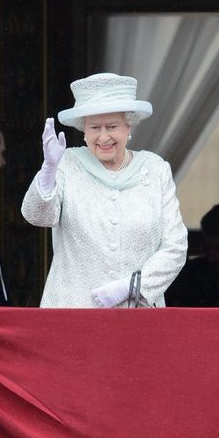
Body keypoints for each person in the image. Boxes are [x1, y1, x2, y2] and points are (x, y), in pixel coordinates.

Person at [21, 73, 187, 307]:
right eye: (94, 127)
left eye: (112, 126)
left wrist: (131, 287)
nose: (103, 136)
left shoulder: (156, 169)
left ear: (129, 126)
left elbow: (176, 246)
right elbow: (37, 217)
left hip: (137, 315)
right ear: (83, 130)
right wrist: (48, 171)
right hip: (72, 314)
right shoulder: (67, 164)